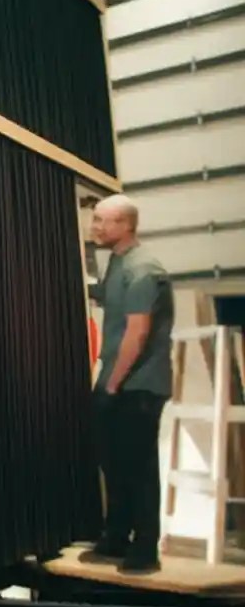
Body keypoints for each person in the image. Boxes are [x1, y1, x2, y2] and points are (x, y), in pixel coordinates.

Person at [84, 194, 174, 575]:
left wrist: (113, 385)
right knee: (112, 460)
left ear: (125, 225)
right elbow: (102, 296)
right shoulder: (117, 263)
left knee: (137, 466)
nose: (95, 227)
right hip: (116, 381)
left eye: (102, 221)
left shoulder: (144, 269)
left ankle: (145, 547)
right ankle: (117, 536)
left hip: (137, 385)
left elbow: (137, 334)